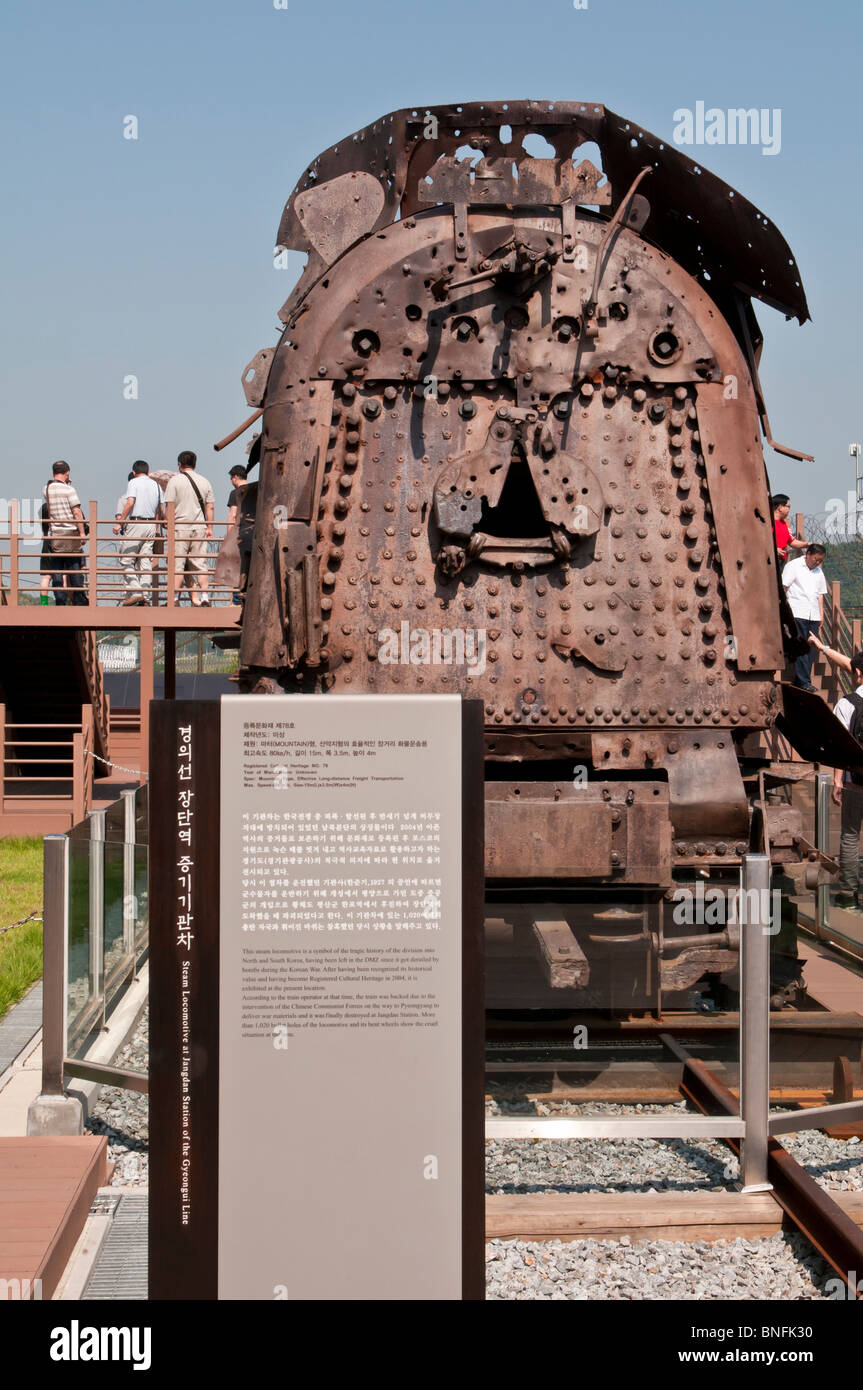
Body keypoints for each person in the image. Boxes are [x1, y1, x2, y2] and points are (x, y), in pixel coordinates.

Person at [831, 651, 863, 911]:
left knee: (851, 835)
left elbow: (839, 747)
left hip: (855, 782)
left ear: (858, 673)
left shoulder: (847, 703)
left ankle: (849, 894)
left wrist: (837, 780)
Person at [163, 451, 215, 606]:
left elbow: (169, 507)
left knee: (177, 565)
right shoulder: (205, 481)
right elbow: (210, 506)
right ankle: (205, 597)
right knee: (200, 564)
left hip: (179, 527)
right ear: (195, 464)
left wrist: (168, 527)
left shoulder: (174, 481)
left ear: (179, 464)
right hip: (199, 527)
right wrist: (209, 527)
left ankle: (173, 599)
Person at [113, 461, 164, 606]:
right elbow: (160, 508)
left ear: (134, 472)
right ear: (148, 471)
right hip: (151, 525)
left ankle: (136, 591)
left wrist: (120, 523)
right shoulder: (156, 485)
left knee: (126, 559)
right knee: (145, 561)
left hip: (137, 523)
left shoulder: (133, 483)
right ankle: (146, 597)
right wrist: (162, 522)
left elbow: (130, 503)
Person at [782, 543, 828, 690]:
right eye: (816, 559)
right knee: (802, 646)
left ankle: (802, 680)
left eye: (820, 560)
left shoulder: (818, 572)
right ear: (808, 554)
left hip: (813, 614)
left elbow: (820, 594)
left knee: (811, 649)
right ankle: (804, 681)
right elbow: (784, 587)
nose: (818, 563)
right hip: (797, 611)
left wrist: (821, 613)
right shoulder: (793, 566)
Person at [42, 461, 87, 606]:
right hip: (70, 534)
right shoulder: (70, 490)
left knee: (56, 570)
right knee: (74, 569)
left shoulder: (46, 489)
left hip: (55, 535)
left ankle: (60, 600)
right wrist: (82, 533)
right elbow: (76, 512)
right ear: (67, 473)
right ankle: (79, 600)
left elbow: (54, 490)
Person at [226, 464, 257, 604]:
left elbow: (232, 515)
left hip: (239, 532)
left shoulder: (235, 493)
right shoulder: (255, 490)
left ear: (235, 477)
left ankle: (237, 599)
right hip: (253, 532)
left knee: (237, 566)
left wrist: (229, 536)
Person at [772, 494, 807, 562]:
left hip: (780, 561)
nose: (789, 510)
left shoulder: (783, 524)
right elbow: (761, 540)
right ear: (780, 507)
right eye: (788, 506)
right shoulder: (769, 523)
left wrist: (807, 544)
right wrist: (773, 549)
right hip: (770, 561)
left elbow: (792, 541)